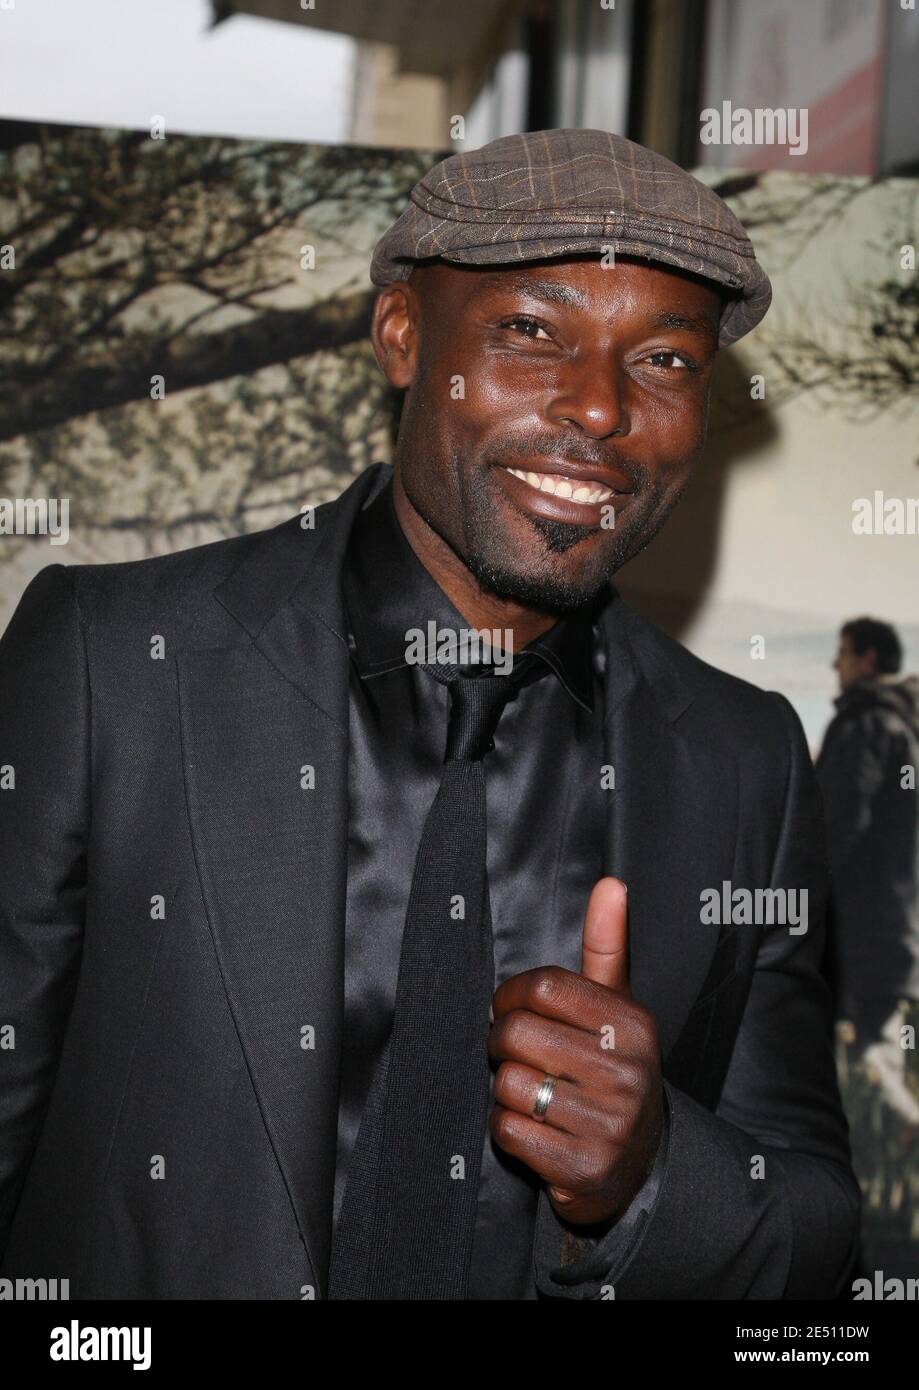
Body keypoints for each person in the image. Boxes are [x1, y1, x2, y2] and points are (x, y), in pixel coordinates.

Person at [0, 128, 858, 1300]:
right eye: (531, 331)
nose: (599, 409)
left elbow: (813, 1227)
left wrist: (652, 1168)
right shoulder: (115, 662)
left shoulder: (743, 757)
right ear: (404, 336)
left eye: (663, 360)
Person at [817, 617, 919, 1126]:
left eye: (844, 652)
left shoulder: (868, 727)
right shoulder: (906, 729)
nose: (836, 665)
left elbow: (834, 831)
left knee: (868, 1083)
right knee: (878, 1067)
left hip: (860, 941)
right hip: (896, 940)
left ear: (869, 661)